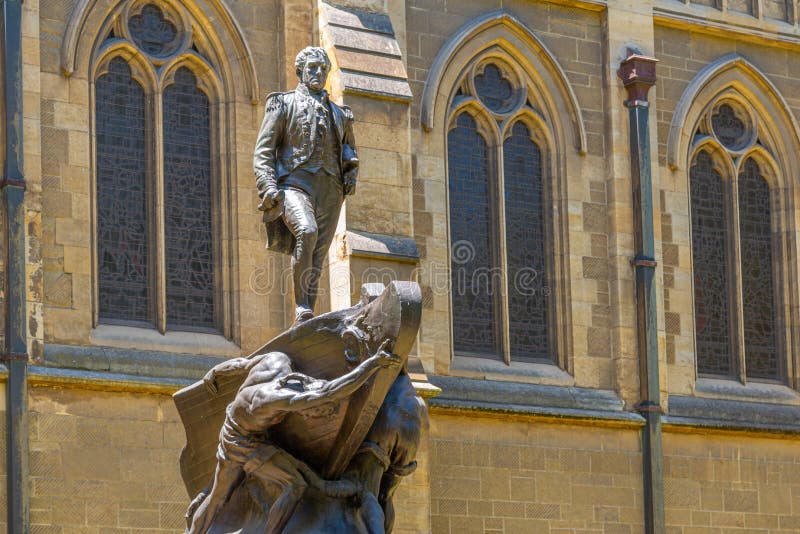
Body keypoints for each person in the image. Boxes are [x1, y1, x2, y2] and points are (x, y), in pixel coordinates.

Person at [186, 341, 399, 534]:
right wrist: (373, 363)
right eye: (311, 412)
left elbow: (242, 364)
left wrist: (214, 371)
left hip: (244, 428)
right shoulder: (277, 400)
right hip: (240, 444)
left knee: (219, 497)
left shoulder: (277, 360)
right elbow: (330, 392)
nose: (308, 415)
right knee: (231, 496)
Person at [254, 46, 358, 323]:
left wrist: (351, 171)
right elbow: (264, 150)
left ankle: (307, 315)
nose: (318, 73)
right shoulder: (283, 103)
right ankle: (301, 306)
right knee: (307, 231)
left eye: (323, 69)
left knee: (318, 254)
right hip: (294, 184)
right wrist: (268, 186)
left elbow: (348, 148)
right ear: (300, 71)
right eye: (312, 68)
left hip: (331, 189)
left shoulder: (340, 114)